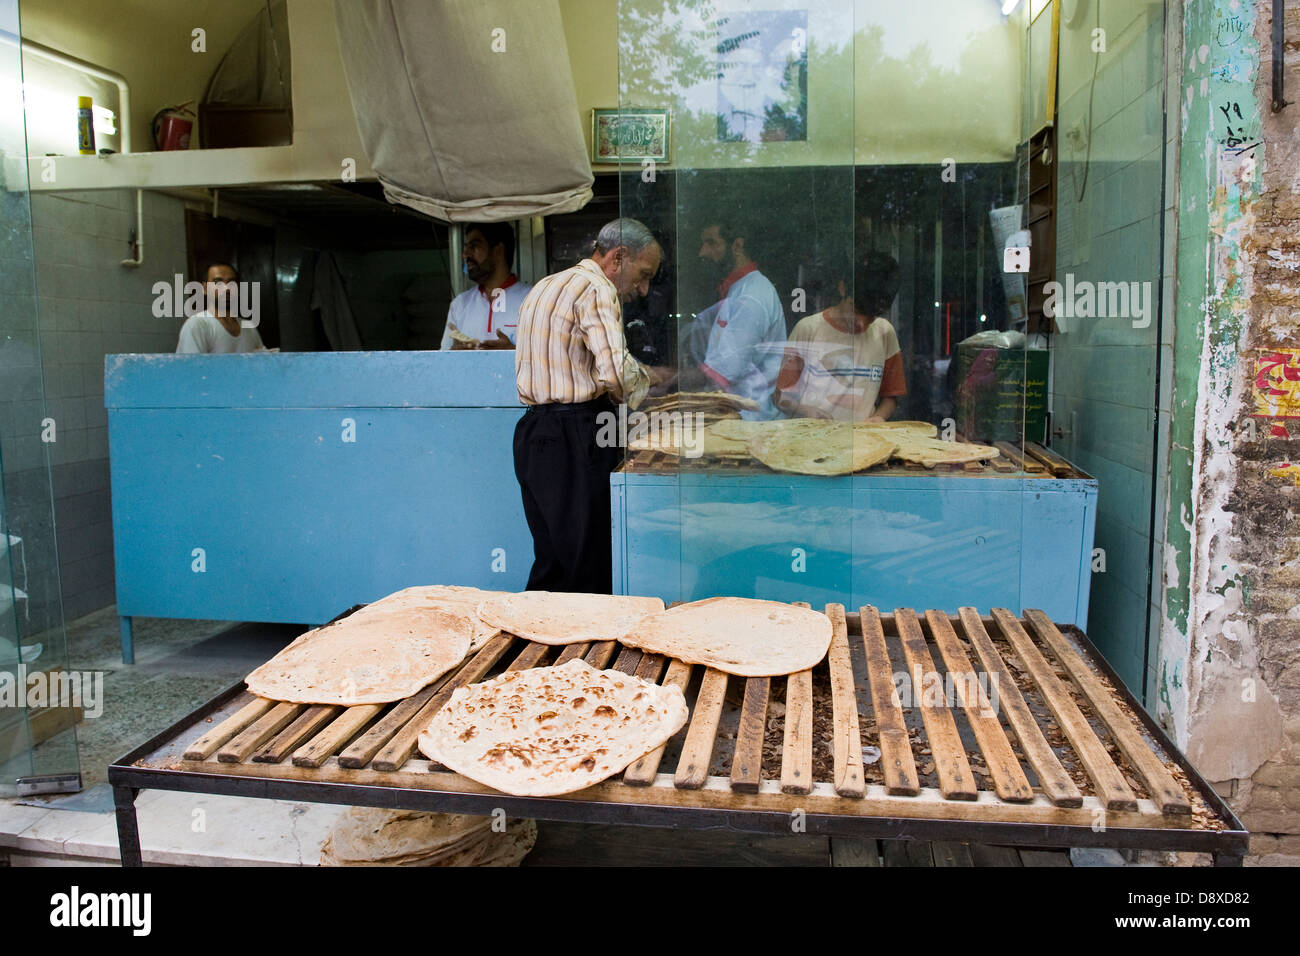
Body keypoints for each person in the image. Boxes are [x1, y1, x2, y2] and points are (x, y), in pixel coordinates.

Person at [513, 218, 666, 593]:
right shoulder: (597, 288)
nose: (643, 289)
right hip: (577, 433)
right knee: (589, 563)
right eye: (643, 274)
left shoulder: (546, 286)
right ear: (619, 256)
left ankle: (540, 643)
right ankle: (586, 652)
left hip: (533, 432)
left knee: (552, 559)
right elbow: (614, 373)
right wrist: (651, 381)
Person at [774, 251, 906, 421]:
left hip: (862, 441)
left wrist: (879, 417)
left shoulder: (885, 333)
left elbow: (891, 396)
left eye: (871, 317)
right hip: (812, 438)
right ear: (842, 288)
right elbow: (779, 396)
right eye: (856, 311)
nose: (861, 323)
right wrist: (804, 411)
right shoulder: (808, 329)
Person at [684, 217, 786, 419]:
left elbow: (720, 375)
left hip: (751, 426)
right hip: (739, 420)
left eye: (711, 243)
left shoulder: (751, 297)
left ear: (737, 246)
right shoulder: (738, 291)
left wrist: (664, 379)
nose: (702, 252)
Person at [439, 222, 532, 350]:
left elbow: (549, 357)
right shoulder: (460, 305)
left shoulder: (532, 300)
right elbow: (441, 362)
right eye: (466, 247)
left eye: (474, 246)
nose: (465, 254)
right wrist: (454, 353)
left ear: (498, 250)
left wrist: (513, 352)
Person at [175, 261, 265, 353]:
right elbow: (192, 366)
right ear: (205, 289)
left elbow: (262, 363)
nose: (226, 289)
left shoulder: (249, 328)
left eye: (231, 282)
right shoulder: (197, 325)